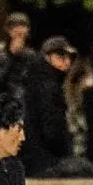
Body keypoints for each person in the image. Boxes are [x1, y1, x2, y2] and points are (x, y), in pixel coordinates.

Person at [19, 36, 75, 175]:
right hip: (47, 160)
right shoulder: (49, 87)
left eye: (69, 57)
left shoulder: (34, 81)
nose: (66, 62)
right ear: (46, 57)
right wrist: (64, 151)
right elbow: (53, 128)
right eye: (60, 56)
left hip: (34, 157)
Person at [0, 11, 34, 93]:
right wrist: (12, 56)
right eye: (14, 27)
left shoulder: (31, 56)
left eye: (23, 27)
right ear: (8, 30)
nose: (18, 30)